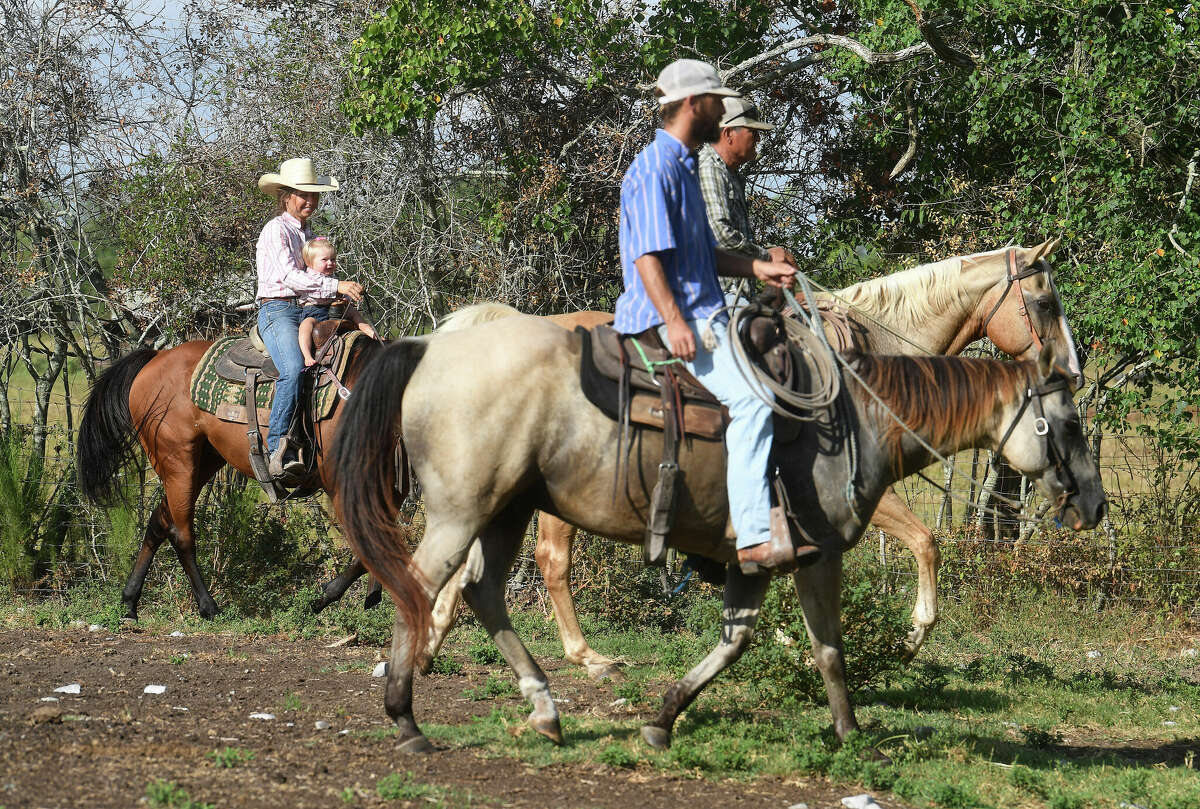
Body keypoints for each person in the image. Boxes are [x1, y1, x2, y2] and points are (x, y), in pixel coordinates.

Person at [614, 59, 816, 574]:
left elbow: (704, 256)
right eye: (715, 101)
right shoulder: (654, 168)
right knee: (753, 401)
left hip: (706, 310)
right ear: (692, 105)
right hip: (673, 318)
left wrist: (757, 268)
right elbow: (646, 257)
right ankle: (749, 538)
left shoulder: (685, 165)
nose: (722, 110)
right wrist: (674, 321)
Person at [255, 157, 364, 478]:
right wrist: (336, 284)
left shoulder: (311, 235)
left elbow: (315, 277)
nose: (310, 201)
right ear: (285, 197)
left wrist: (342, 295)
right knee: (293, 368)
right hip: (278, 310)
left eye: (314, 195)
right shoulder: (275, 231)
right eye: (303, 194)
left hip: (309, 310)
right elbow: (290, 277)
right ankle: (279, 447)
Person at [698, 96, 796, 272]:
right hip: (720, 294)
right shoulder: (709, 169)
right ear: (728, 134)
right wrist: (768, 257)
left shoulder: (730, 174)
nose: (758, 139)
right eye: (753, 132)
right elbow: (720, 234)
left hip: (734, 292)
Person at [296, 237, 378, 367]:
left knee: (353, 312)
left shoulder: (332, 276)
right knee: (305, 326)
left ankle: (371, 333)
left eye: (333, 259)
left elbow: (339, 290)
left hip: (332, 309)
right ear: (310, 262)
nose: (330, 263)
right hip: (314, 311)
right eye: (324, 260)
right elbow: (318, 292)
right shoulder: (309, 277)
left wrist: (347, 297)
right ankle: (307, 355)